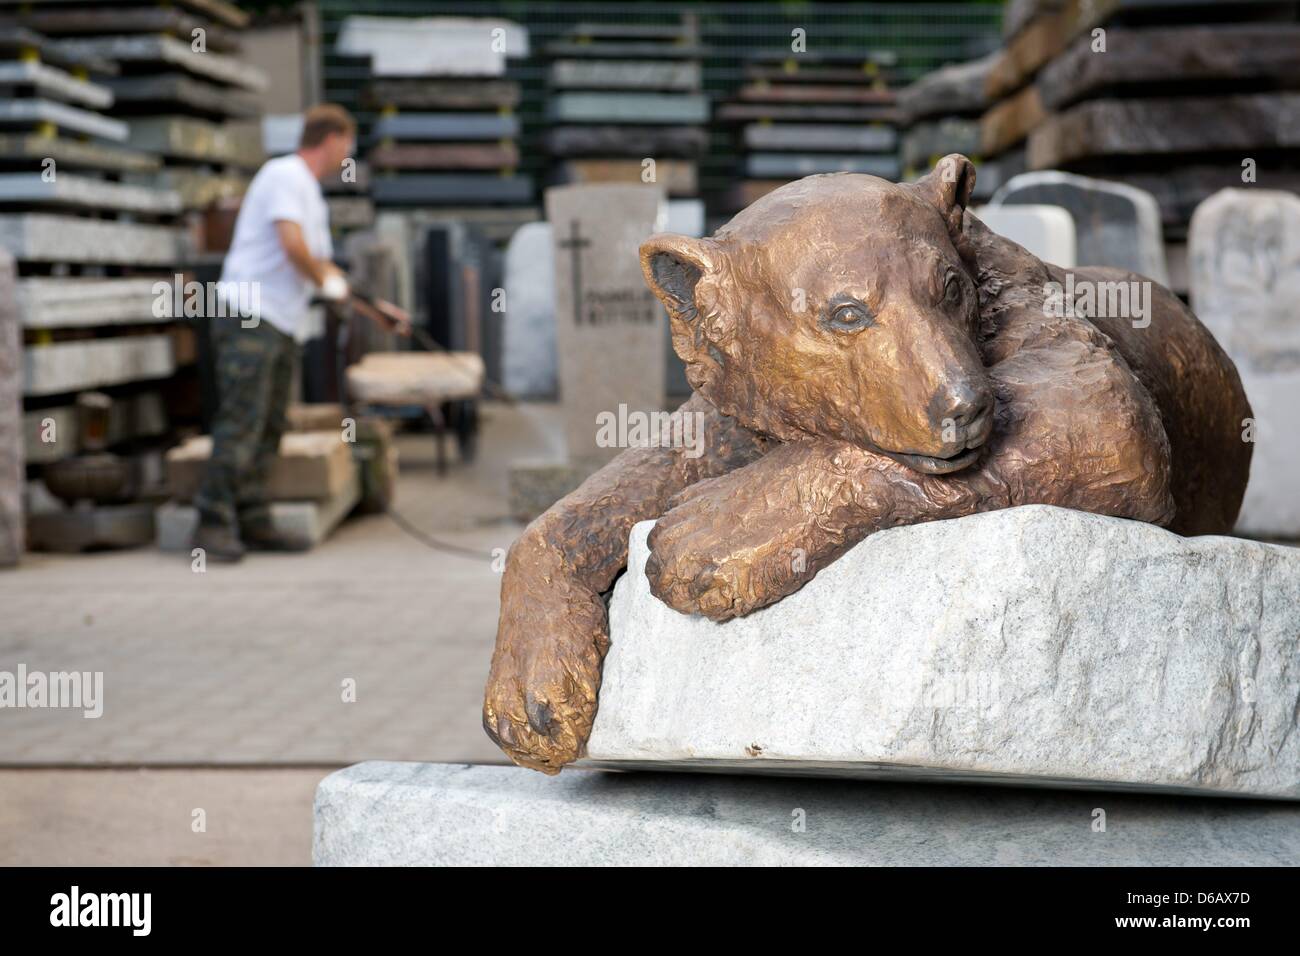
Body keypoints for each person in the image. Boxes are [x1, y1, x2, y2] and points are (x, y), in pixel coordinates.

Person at [193, 103, 409, 561]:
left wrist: (375, 310)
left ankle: (252, 517)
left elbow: (323, 265)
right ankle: (211, 521)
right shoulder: (284, 175)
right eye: (346, 144)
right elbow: (294, 247)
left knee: (270, 424)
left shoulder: (308, 190)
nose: (346, 154)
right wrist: (329, 285)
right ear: (331, 139)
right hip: (250, 314)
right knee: (242, 420)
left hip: (280, 322)